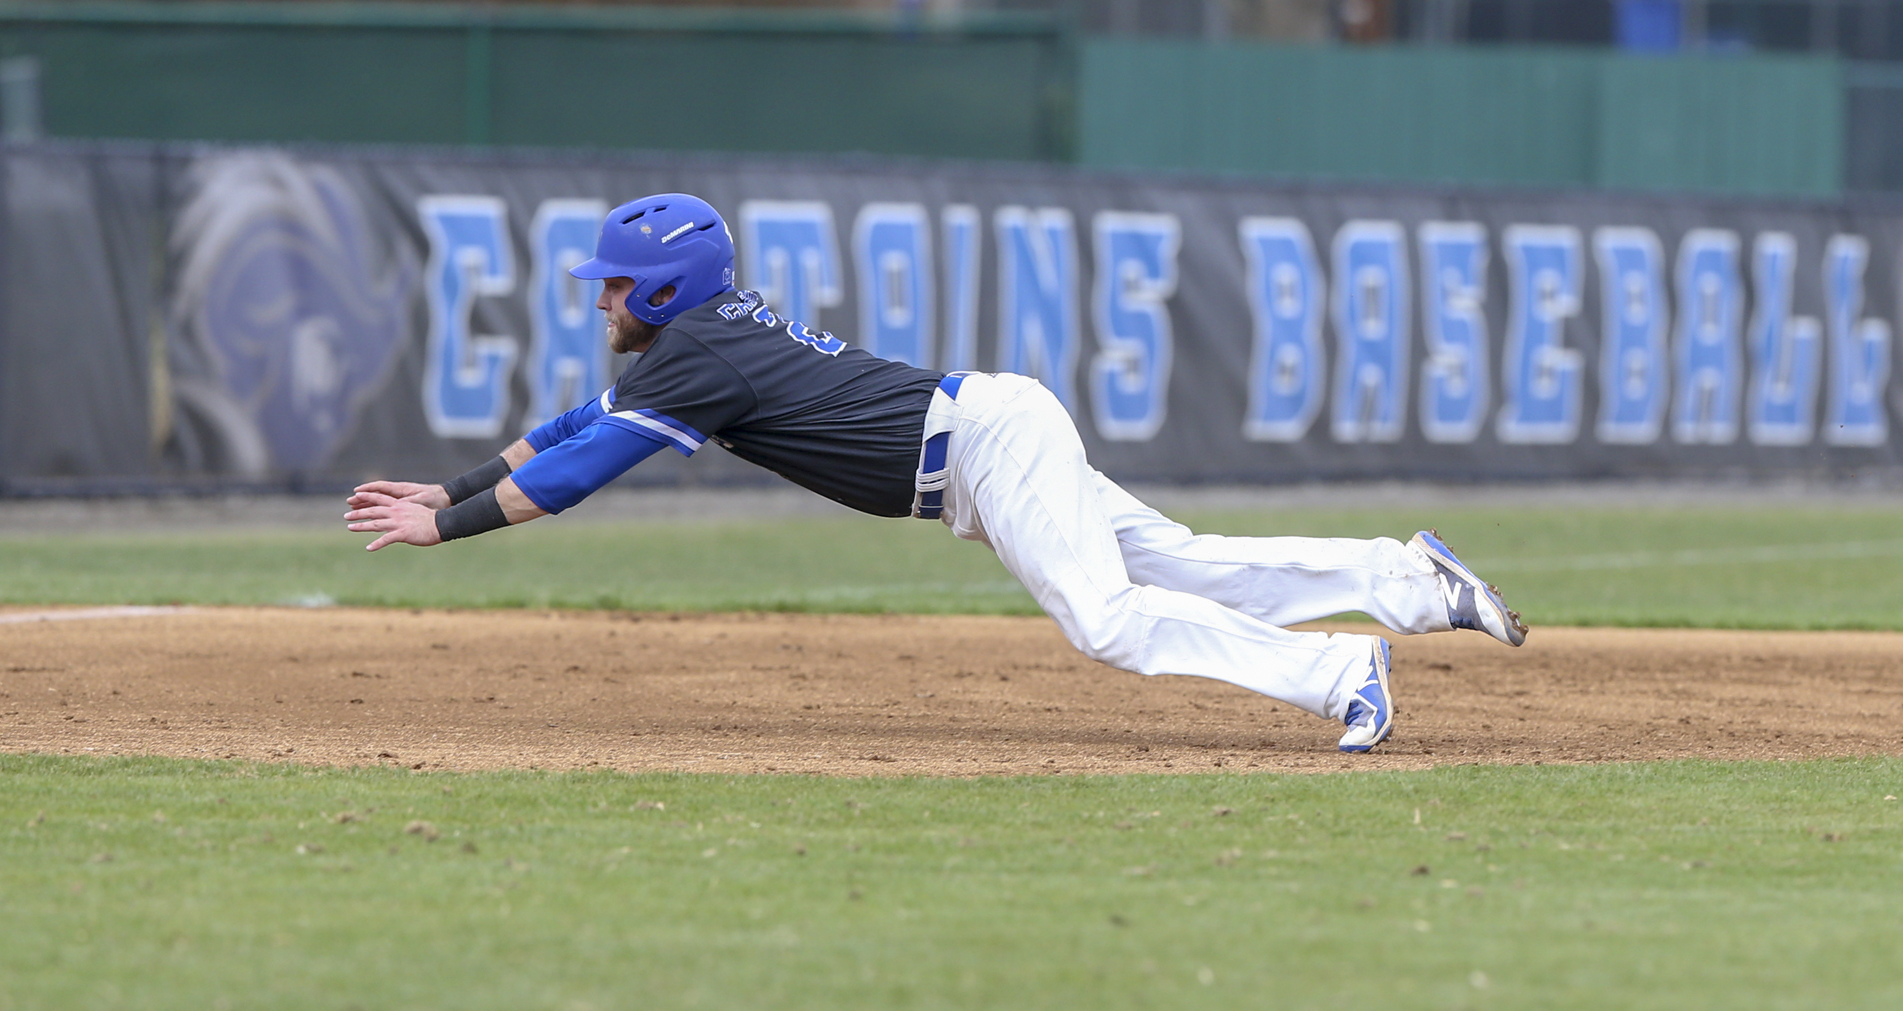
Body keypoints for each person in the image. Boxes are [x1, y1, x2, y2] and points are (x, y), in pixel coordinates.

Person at [346, 193, 1526, 753]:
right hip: (982, 442)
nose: (601, 299)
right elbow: (563, 430)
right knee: (1185, 566)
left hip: (984, 448)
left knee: (1106, 622)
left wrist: (446, 534)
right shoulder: (694, 352)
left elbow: (575, 475)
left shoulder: (693, 359)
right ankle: (1408, 581)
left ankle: (1342, 675)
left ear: (660, 292)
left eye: (611, 283)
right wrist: (442, 489)